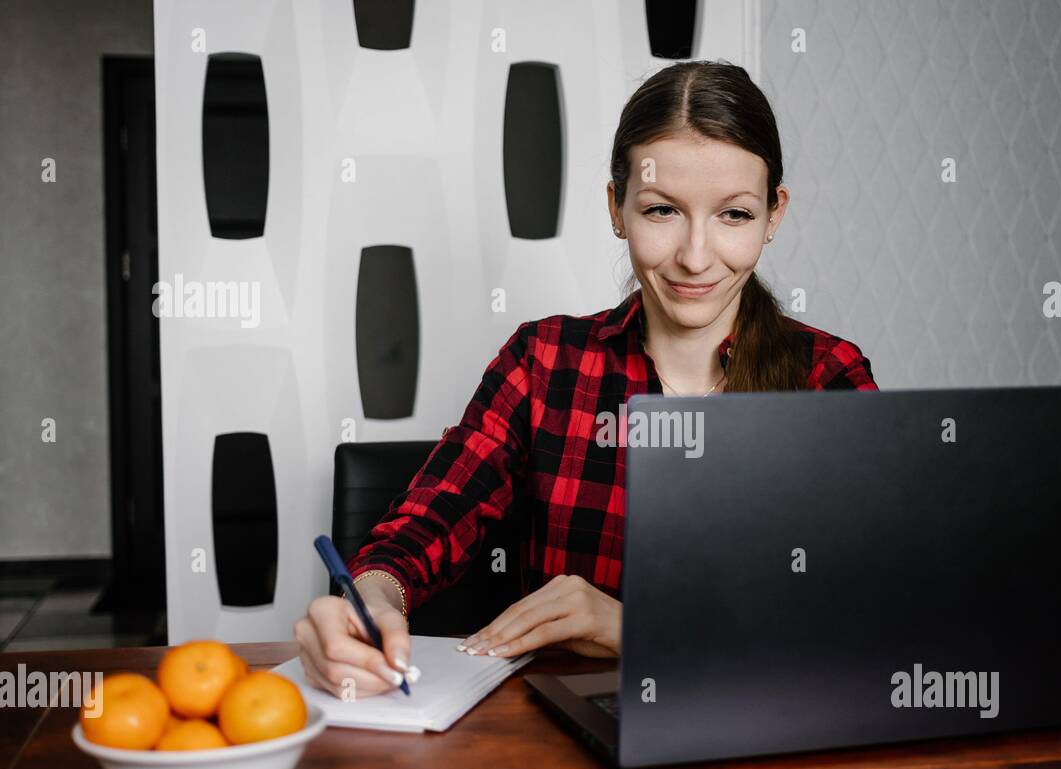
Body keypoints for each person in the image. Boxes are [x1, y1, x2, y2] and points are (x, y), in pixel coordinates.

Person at [294, 60, 878, 698]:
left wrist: (637, 630)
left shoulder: (828, 378)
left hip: (766, 741)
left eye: (734, 215)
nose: (695, 256)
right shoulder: (544, 361)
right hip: (565, 751)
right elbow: (417, 532)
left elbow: (870, 613)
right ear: (617, 209)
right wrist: (375, 599)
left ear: (773, 215)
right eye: (661, 210)